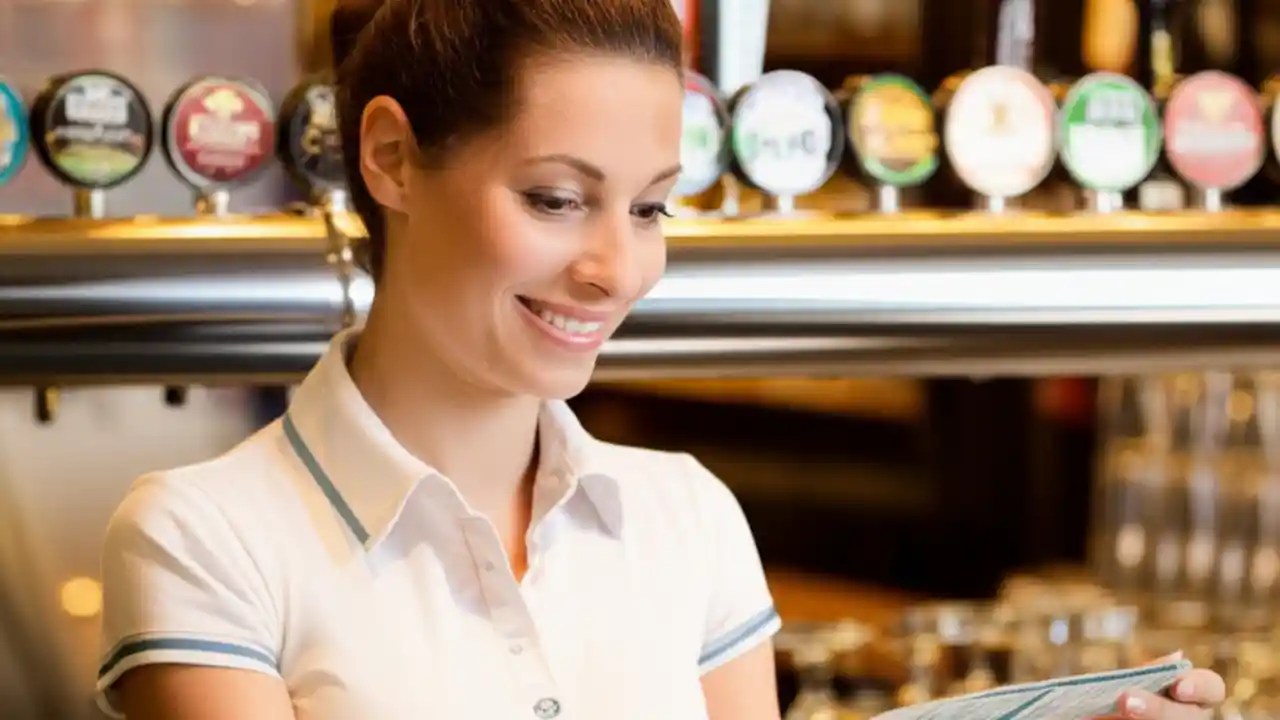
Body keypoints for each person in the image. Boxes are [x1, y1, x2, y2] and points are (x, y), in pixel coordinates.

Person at [94, 0, 1226, 718]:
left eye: (645, 209)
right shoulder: (205, 539)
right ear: (390, 157)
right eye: (555, 199)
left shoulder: (685, 515)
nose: (613, 269)